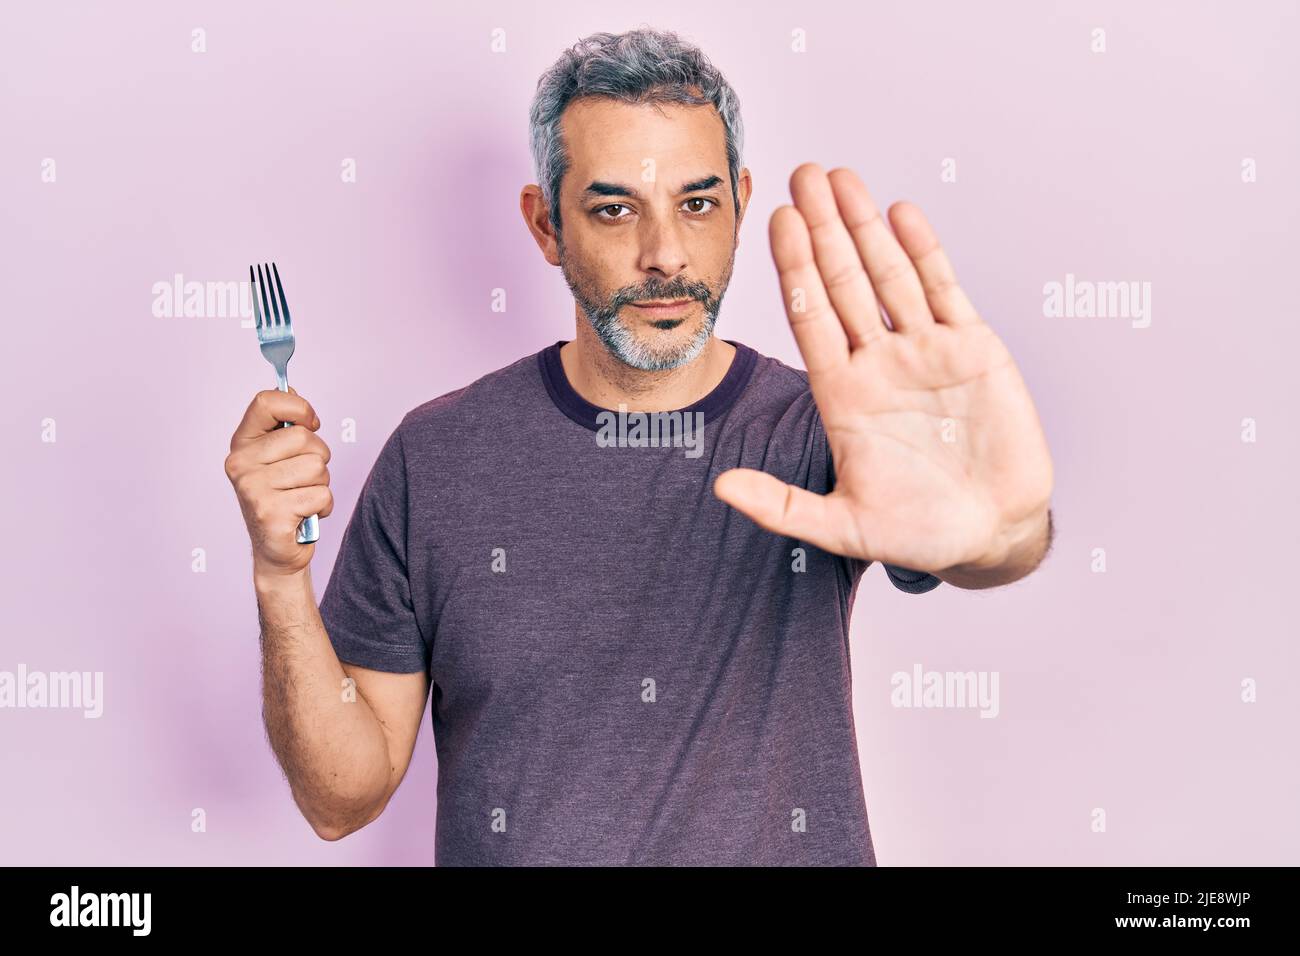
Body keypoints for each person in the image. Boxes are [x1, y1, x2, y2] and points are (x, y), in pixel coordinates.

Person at [225, 28, 1054, 865]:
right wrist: (279, 575)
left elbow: (988, 549)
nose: (665, 256)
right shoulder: (435, 457)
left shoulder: (827, 432)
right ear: (546, 226)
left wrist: (1001, 532)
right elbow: (341, 798)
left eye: (697, 204)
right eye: (615, 209)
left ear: (738, 204)